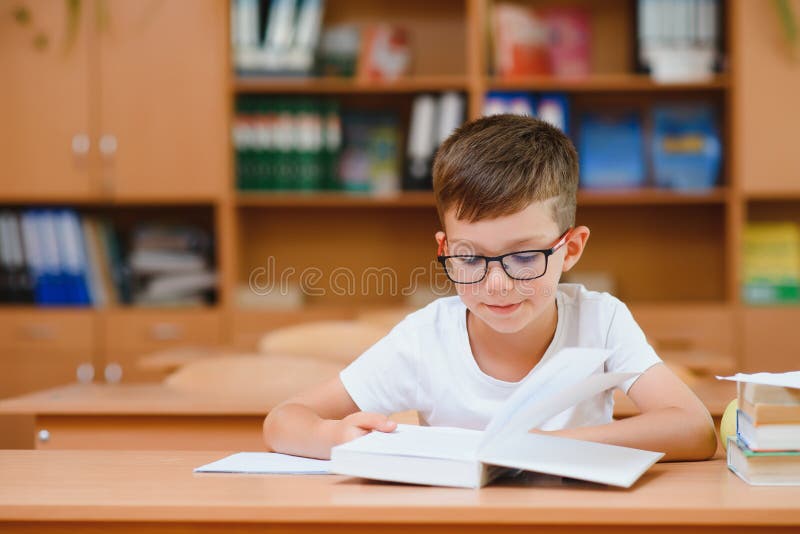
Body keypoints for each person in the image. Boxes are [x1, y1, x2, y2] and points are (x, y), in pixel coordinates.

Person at [263, 114, 718, 461]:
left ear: (571, 249)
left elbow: (694, 429)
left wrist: (545, 448)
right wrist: (333, 435)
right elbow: (283, 421)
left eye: (525, 257)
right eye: (469, 258)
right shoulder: (424, 339)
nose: (496, 284)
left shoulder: (601, 321)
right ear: (444, 249)